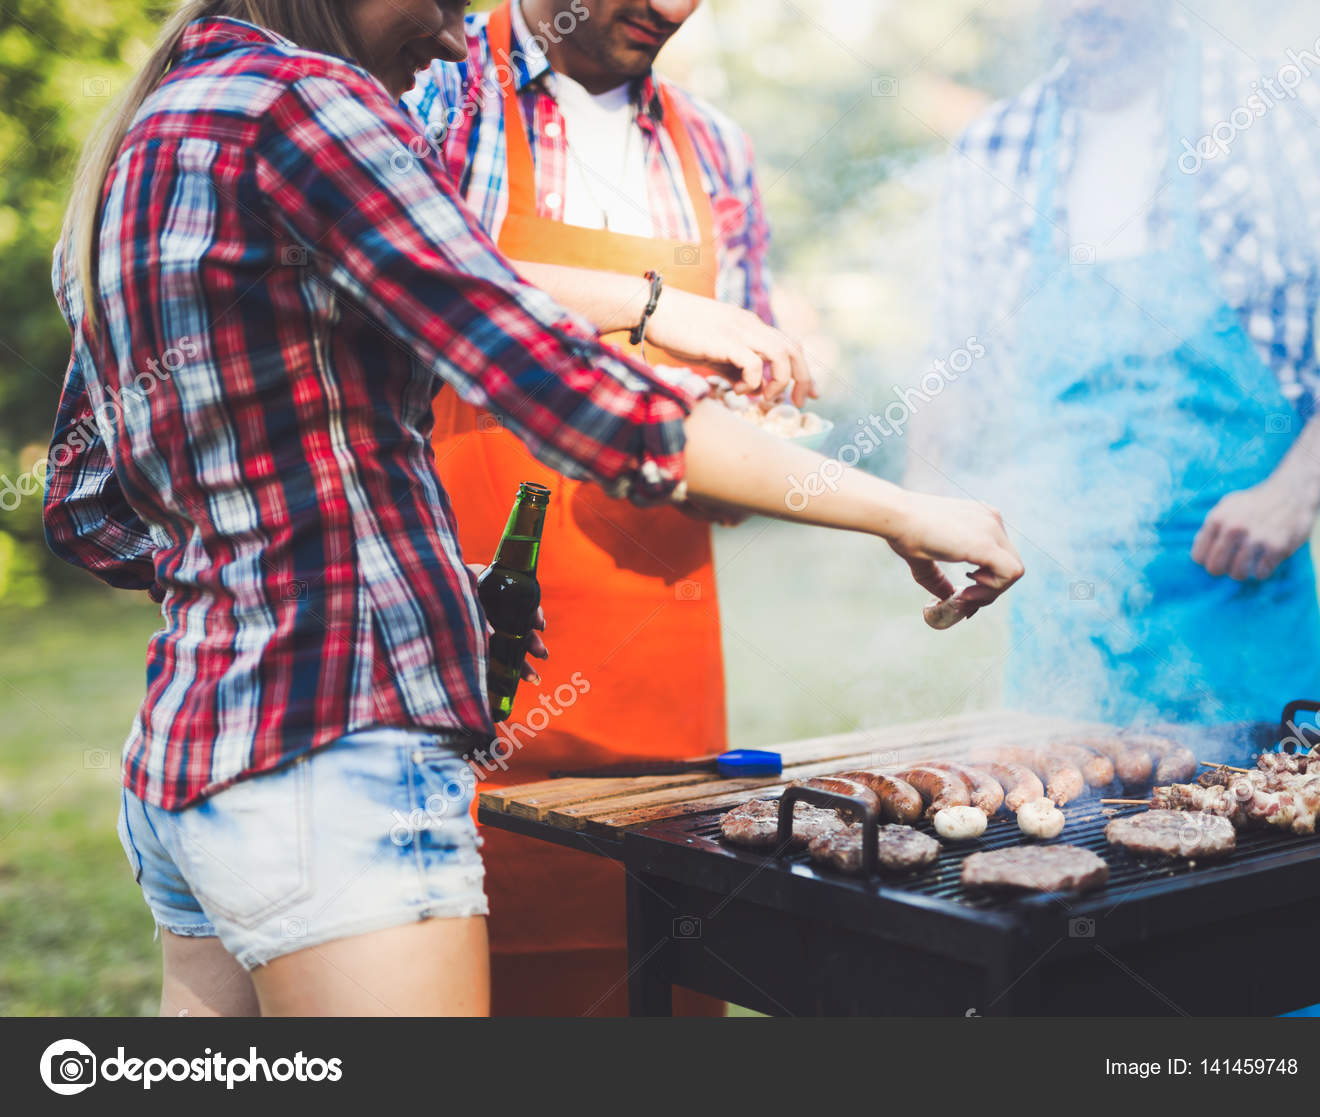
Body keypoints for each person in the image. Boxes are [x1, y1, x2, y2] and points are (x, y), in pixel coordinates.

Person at [45, 0, 1022, 1017]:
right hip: (335, 749)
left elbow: (86, 501)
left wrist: (370, 566)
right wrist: (900, 509)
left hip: (195, 746)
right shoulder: (310, 107)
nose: (454, 28)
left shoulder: (153, 129)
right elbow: (579, 396)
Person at [919, 0, 1320, 1017]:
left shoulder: (1276, 112)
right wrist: (927, 503)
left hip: (1233, 610)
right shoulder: (996, 144)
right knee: (1052, 948)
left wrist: (1296, 484)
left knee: (1258, 945)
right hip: (1060, 619)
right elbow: (957, 365)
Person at [402, 0, 806, 1016]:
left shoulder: (714, 147)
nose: (667, 7)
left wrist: (762, 451)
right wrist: (660, 305)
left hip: (658, 654)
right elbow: (419, 276)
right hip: (466, 636)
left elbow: (721, 407)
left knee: (653, 970)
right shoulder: (436, 81)